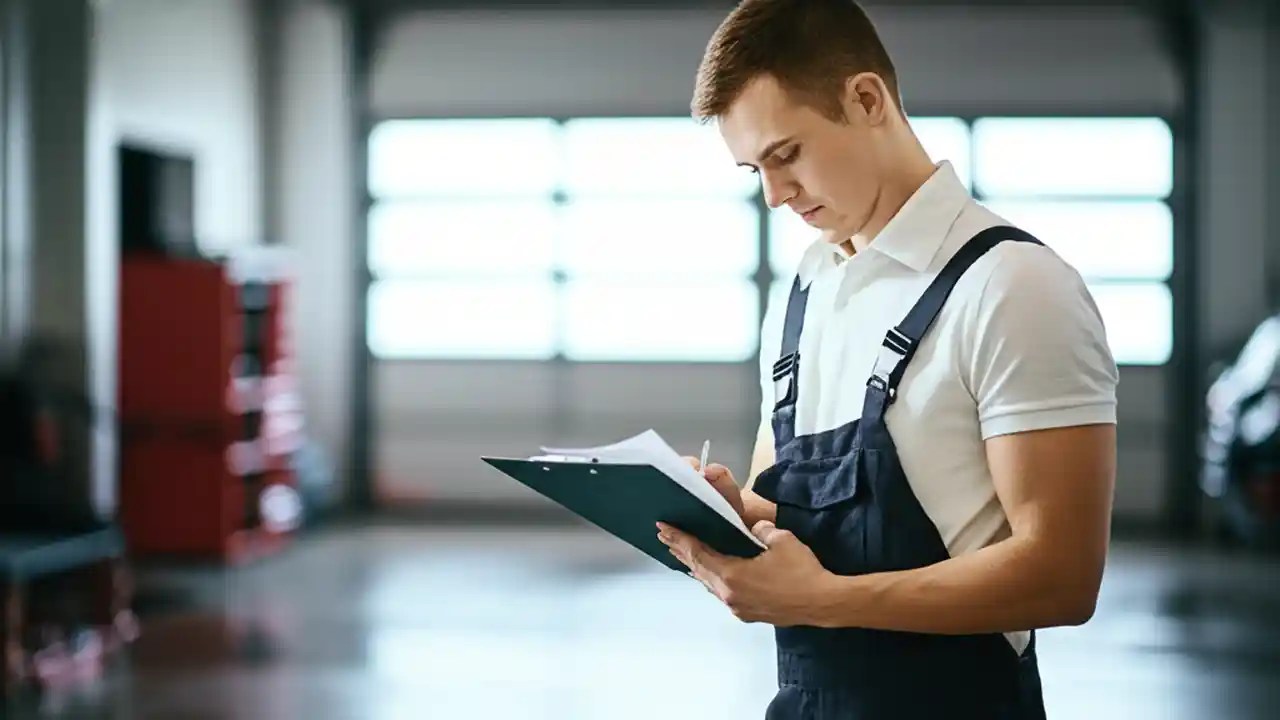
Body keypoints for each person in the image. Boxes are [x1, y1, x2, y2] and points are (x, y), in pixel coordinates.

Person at [654, 1, 1119, 717]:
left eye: (787, 155)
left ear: (866, 98)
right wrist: (721, 514)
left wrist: (827, 600)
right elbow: (781, 503)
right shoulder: (805, 293)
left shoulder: (1014, 287)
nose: (775, 195)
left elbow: (1062, 575)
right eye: (755, 171)